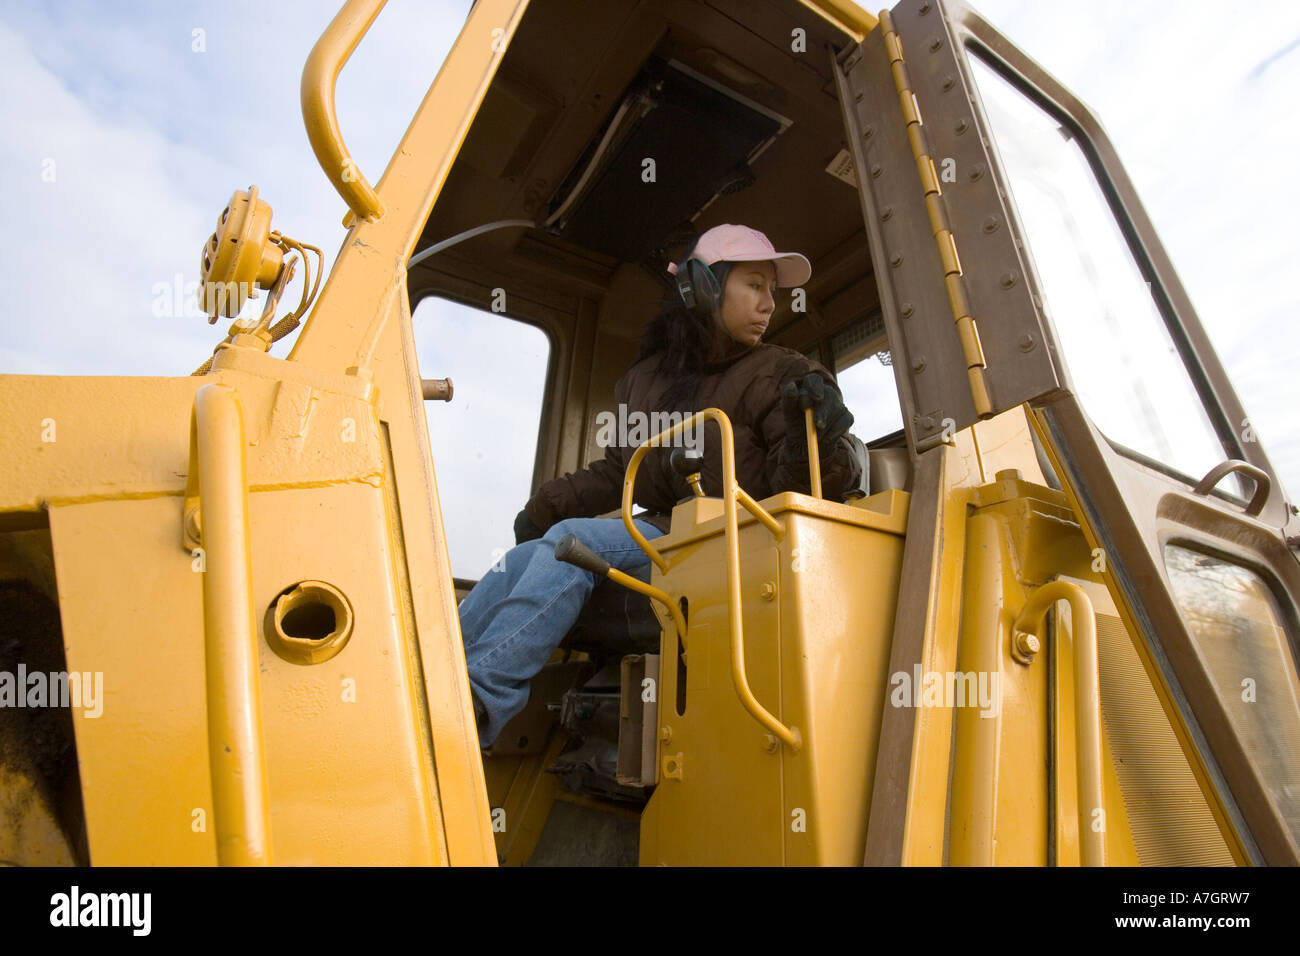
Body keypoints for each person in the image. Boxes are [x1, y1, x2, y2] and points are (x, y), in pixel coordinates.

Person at [459, 223, 864, 748]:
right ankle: (434, 677)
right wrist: (545, 506)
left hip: (736, 541)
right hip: (663, 534)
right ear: (705, 286)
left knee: (566, 548)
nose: (769, 304)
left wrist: (822, 435)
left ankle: (477, 701)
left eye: (772, 291)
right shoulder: (645, 381)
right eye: (754, 286)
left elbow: (802, 486)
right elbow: (618, 470)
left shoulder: (783, 373)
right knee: (522, 556)